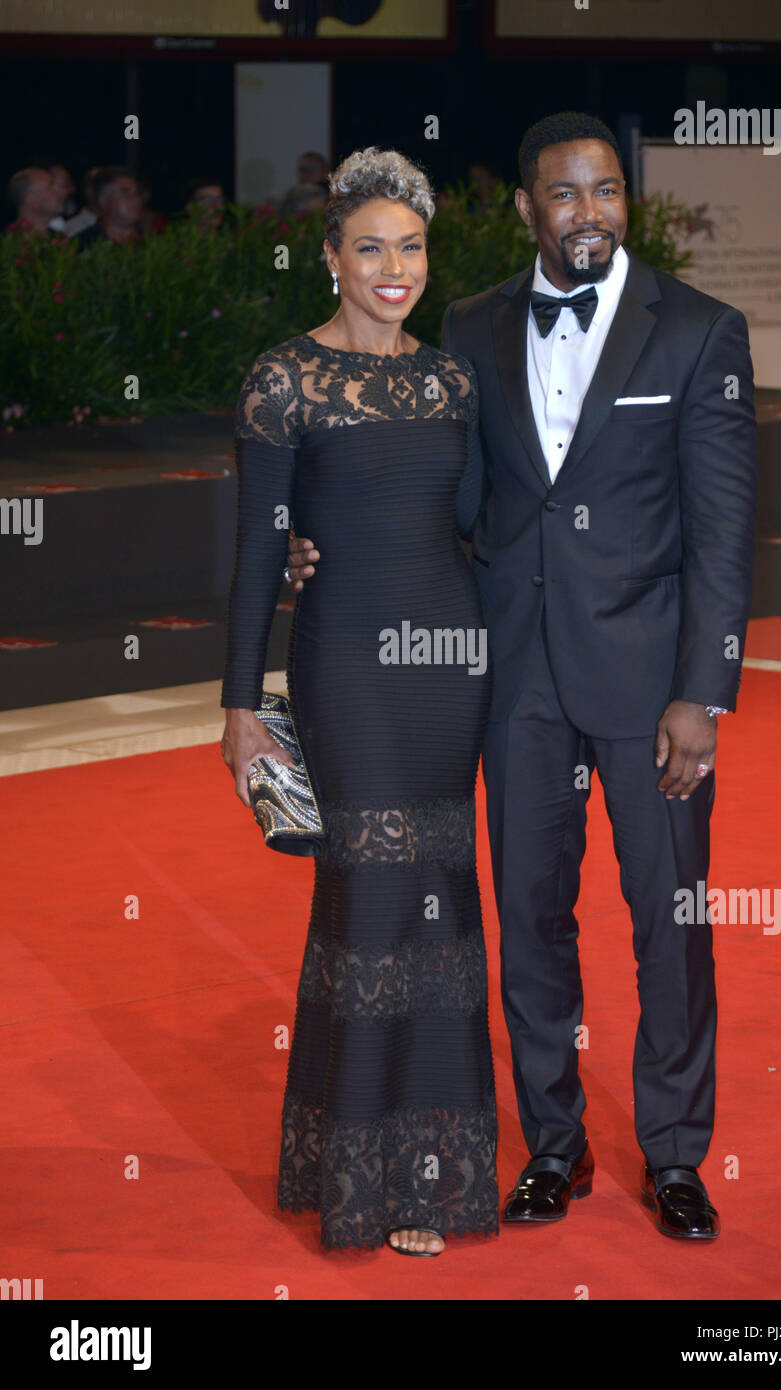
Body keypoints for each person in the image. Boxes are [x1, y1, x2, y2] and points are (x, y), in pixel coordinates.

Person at [287, 111, 758, 1242]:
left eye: (606, 192)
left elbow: (722, 528)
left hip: (652, 688)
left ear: (623, 204)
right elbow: (447, 501)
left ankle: (676, 1152)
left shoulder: (697, 331)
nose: (587, 211)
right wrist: (320, 542)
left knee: (667, 921)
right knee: (528, 917)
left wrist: (704, 691)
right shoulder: (471, 325)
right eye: (564, 193)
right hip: (511, 684)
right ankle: (553, 1142)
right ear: (524, 207)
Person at [219, 147, 498, 1257]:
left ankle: (423, 1166)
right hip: (345, 669)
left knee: (438, 896)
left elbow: (475, 526)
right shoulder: (282, 381)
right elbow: (254, 555)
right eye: (369, 247)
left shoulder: (450, 380)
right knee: (374, 899)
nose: (393, 268)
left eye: (411, 246)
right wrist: (241, 705)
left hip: (450, 666)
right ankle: (367, 1173)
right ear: (329, 255)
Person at [75, 167, 145, 248]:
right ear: (103, 200)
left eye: (137, 192)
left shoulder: (152, 241)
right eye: (125, 192)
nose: (136, 199)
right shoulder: (84, 245)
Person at [5, 166, 66, 236]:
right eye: (50, 187)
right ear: (31, 200)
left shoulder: (59, 239)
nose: (61, 192)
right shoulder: (9, 244)